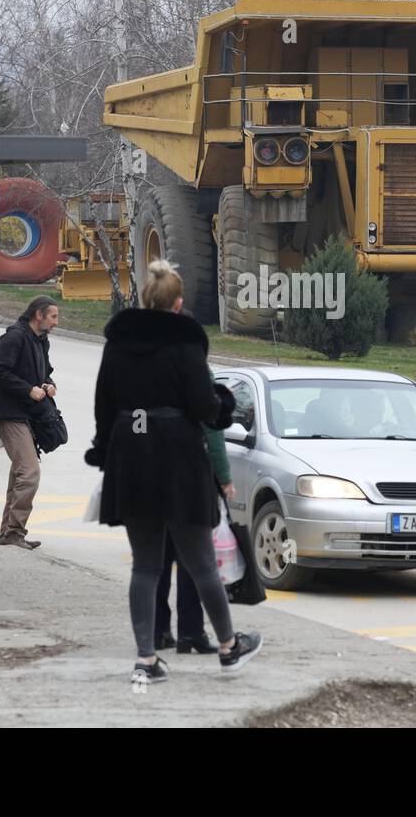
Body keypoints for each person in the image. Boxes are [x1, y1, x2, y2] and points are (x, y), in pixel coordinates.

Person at [88, 259, 261, 684]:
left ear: (145, 297)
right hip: (179, 457)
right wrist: (222, 403)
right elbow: (207, 410)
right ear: (178, 302)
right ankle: (227, 647)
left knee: (145, 566)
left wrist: (107, 447)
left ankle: (146, 660)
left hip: (132, 454)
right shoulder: (186, 345)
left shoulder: (118, 343)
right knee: (201, 563)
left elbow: (103, 405)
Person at [154, 375, 235, 654]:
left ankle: (157, 632)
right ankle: (191, 632)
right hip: (188, 481)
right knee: (195, 560)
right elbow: (212, 429)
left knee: (155, 561)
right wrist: (224, 477)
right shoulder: (193, 368)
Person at [0, 296, 59, 550]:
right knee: (29, 473)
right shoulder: (13, 338)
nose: (56, 322)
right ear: (38, 315)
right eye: (53, 316)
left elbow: (45, 371)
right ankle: (14, 531)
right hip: (9, 413)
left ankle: (9, 533)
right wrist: (28, 390)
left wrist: (48, 384)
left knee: (20, 473)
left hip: (30, 415)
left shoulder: (41, 341)